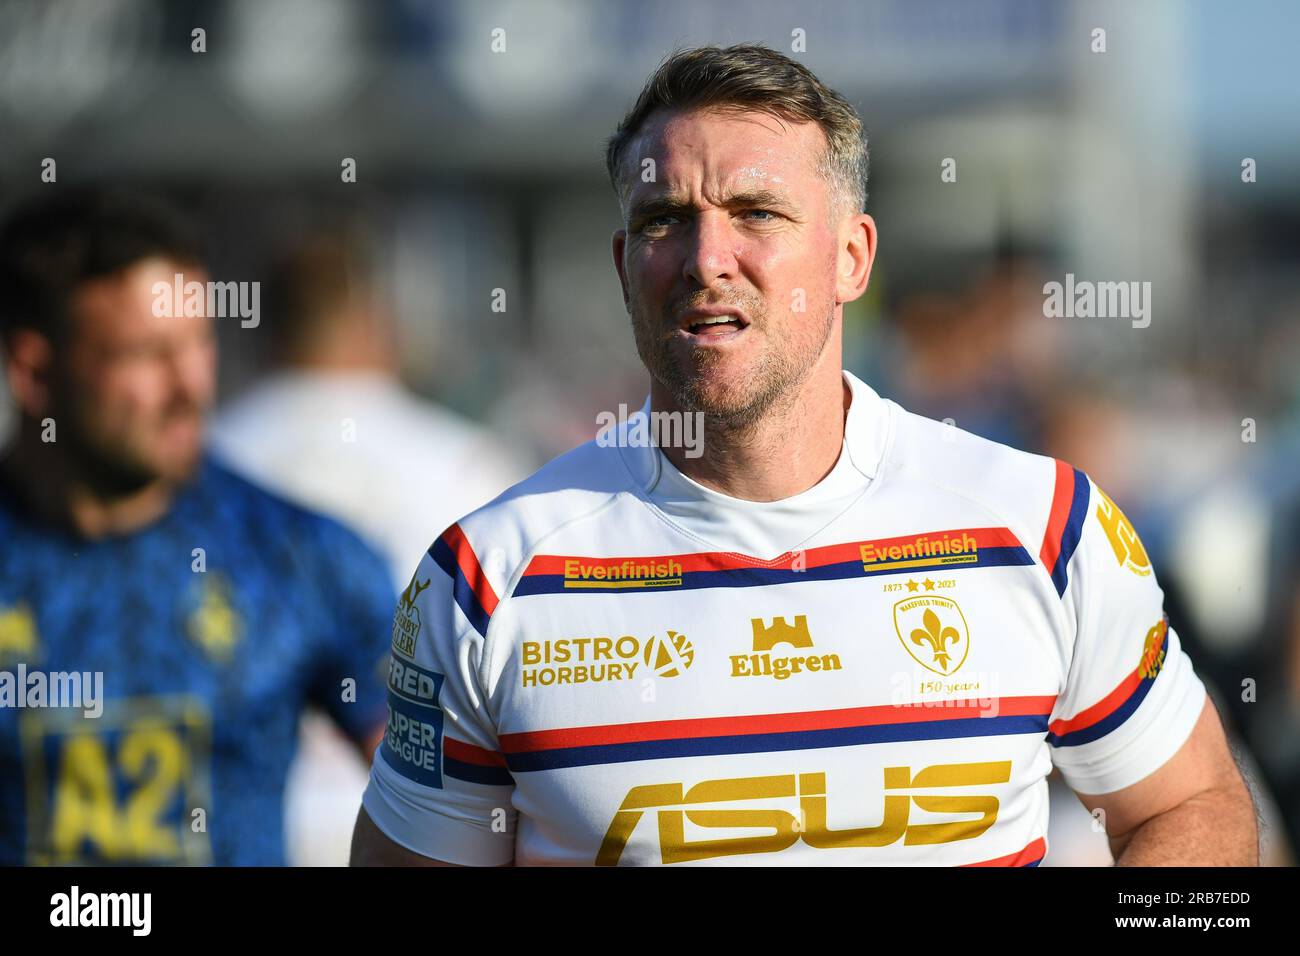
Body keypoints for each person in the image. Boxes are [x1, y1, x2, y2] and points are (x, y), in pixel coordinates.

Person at [351, 44, 1257, 866]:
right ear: (626, 263)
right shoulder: (485, 575)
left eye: (757, 211)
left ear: (851, 260)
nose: (708, 257)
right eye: (666, 218)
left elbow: (1191, 807)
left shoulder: (1045, 527)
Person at [0, 188, 393, 865]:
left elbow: (444, 811)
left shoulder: (297, 554)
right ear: (35, 371)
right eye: (147, 354)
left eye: (199, 342)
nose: (189, 385)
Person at [212, 227, 528, 865]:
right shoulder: (467, 465)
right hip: (421, 825)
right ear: (374, 319)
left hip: (236, 825)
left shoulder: (202, 467)